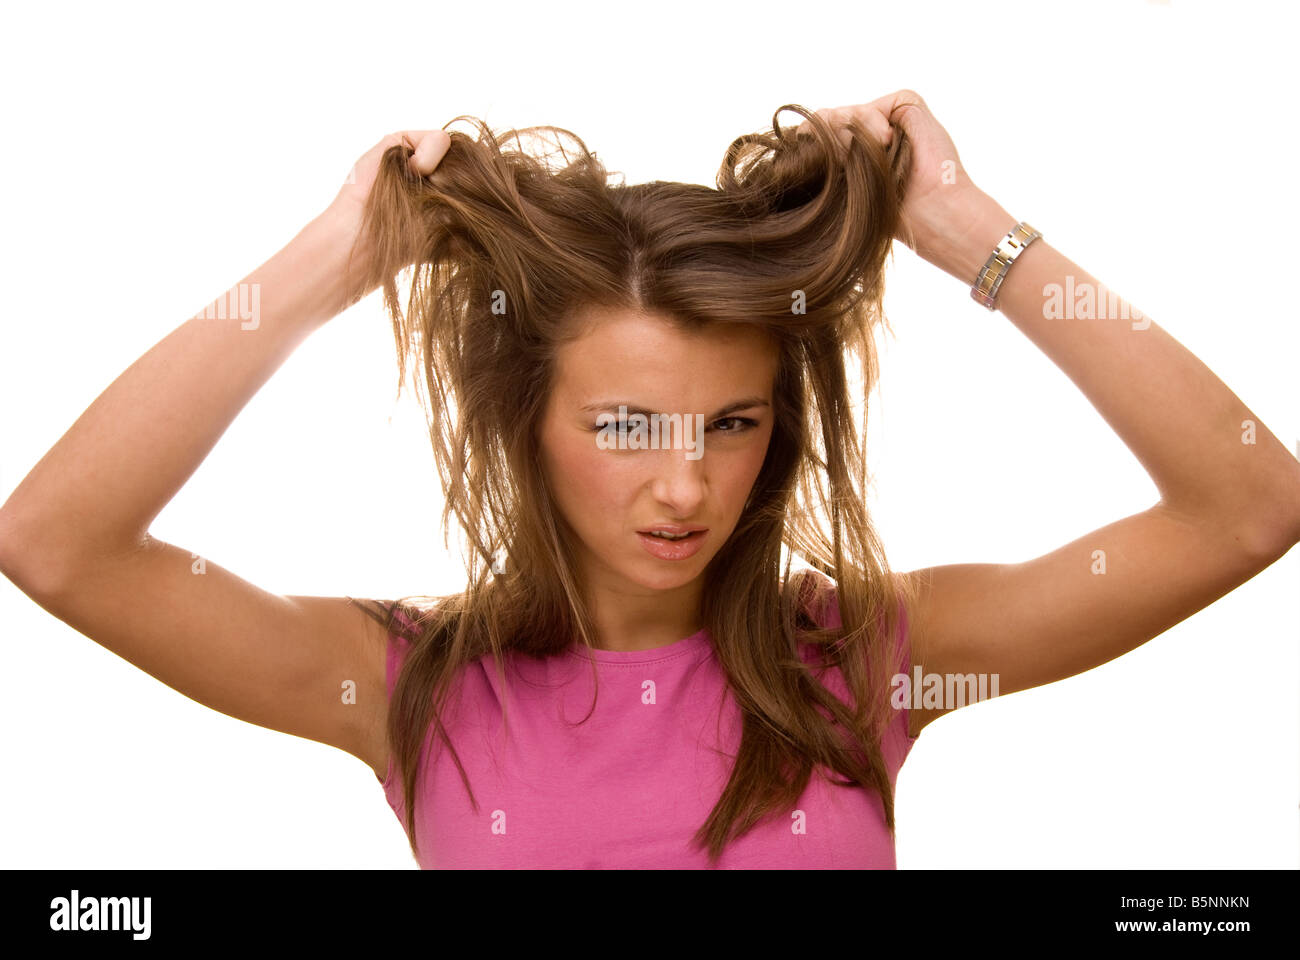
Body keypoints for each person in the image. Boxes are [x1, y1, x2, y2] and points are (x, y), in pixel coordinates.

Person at [2, 91, 1296, 869]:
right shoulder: (409, 688)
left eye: (729, 423)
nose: (685, 488)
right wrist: (335, 262)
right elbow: (57, 545)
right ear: (530, 424)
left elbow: (1247, 508)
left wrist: (975, 232)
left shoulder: (871, 659)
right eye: (624, 426)